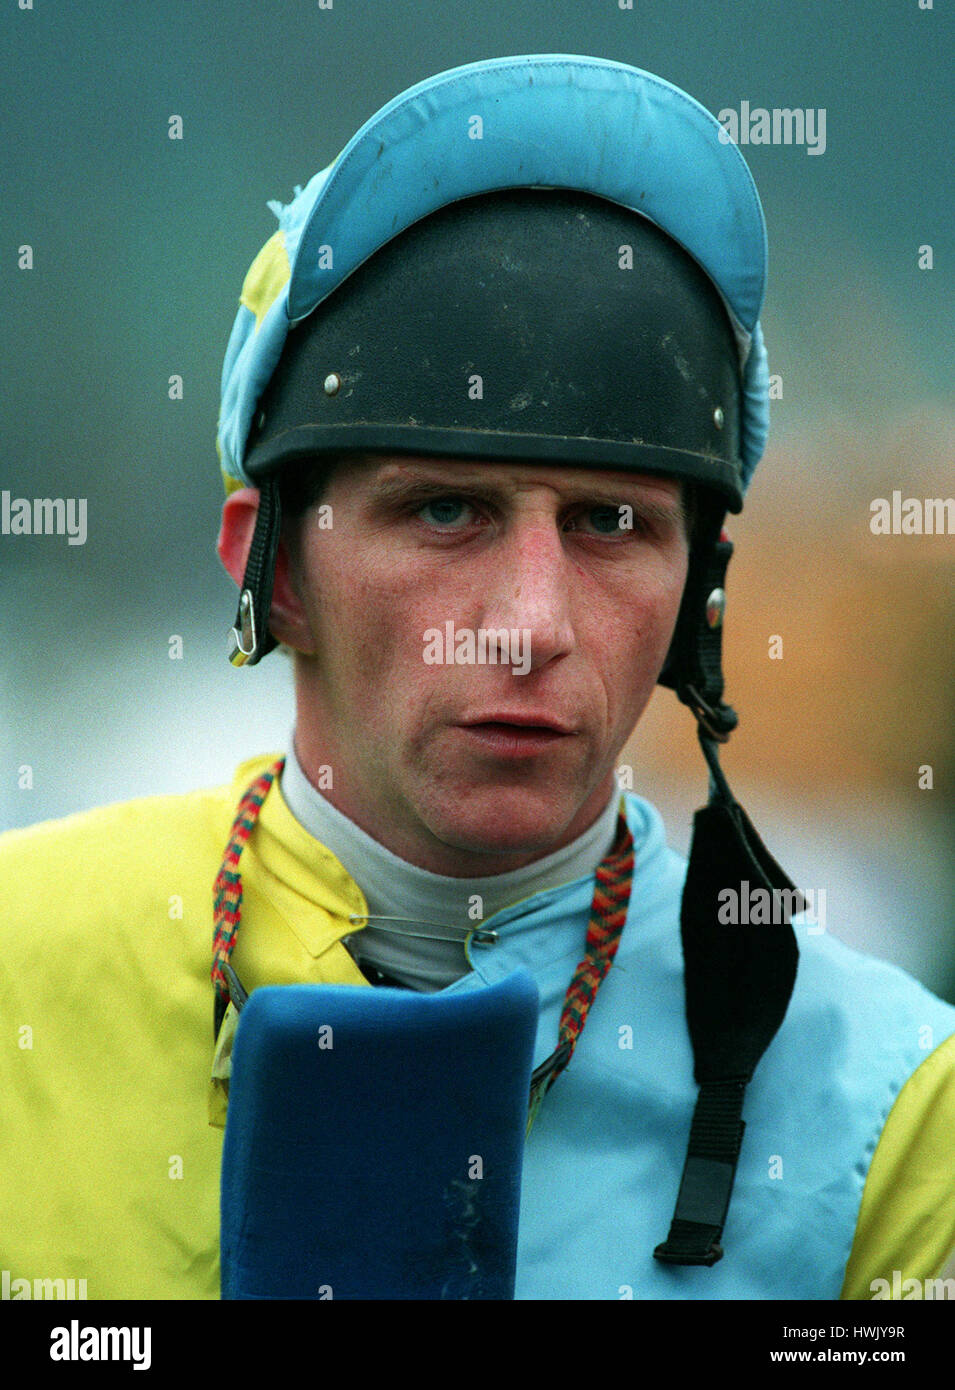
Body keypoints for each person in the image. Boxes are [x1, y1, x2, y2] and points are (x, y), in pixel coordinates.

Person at [2, 53, 953, 1303]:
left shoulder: (896, 1112)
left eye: (611, 523)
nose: (529, 624)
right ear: (271, 573)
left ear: (695, 605)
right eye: (445, 510)